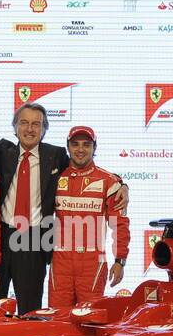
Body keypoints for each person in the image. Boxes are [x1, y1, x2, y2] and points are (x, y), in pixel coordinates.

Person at [0, 62, 127, 313]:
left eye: (36, 124)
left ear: (44, 129)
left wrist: (122, 183)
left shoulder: (56, 156)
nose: (29, 129)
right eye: (24, 123)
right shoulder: (2, 152)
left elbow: (86, 165)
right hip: (1, 238)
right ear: (15, 128)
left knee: (30, 311)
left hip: (35, 240)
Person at [50, 125, 131, 308]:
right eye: (75, 144)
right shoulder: (54, 178)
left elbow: (120, 225)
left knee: (89, 320)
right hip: (60, 261)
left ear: (94, 148)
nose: (80, 149)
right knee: (58, 320)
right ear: (68, 147)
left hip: (92, 263)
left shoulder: (109, 182)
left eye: (86, 144)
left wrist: (120, 261)